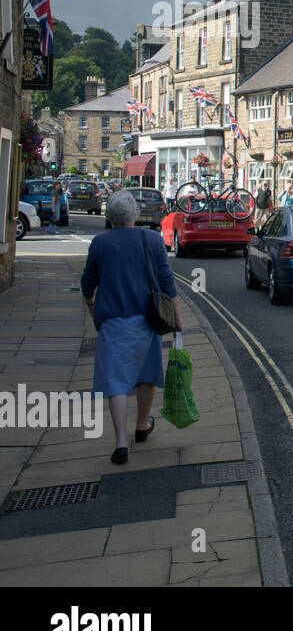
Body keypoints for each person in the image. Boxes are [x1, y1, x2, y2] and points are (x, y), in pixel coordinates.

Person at [80, 190, 183, 465]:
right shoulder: (151, 239)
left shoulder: (100, 243)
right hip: (147, 321)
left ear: (109, 216)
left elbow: (88, 281)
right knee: (145, 376)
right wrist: (178, 319)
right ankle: (141, 426)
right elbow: (166, 282)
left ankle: (121, 444)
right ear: (134, 215)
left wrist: (91, 305)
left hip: (113, 322)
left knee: (115, 382)